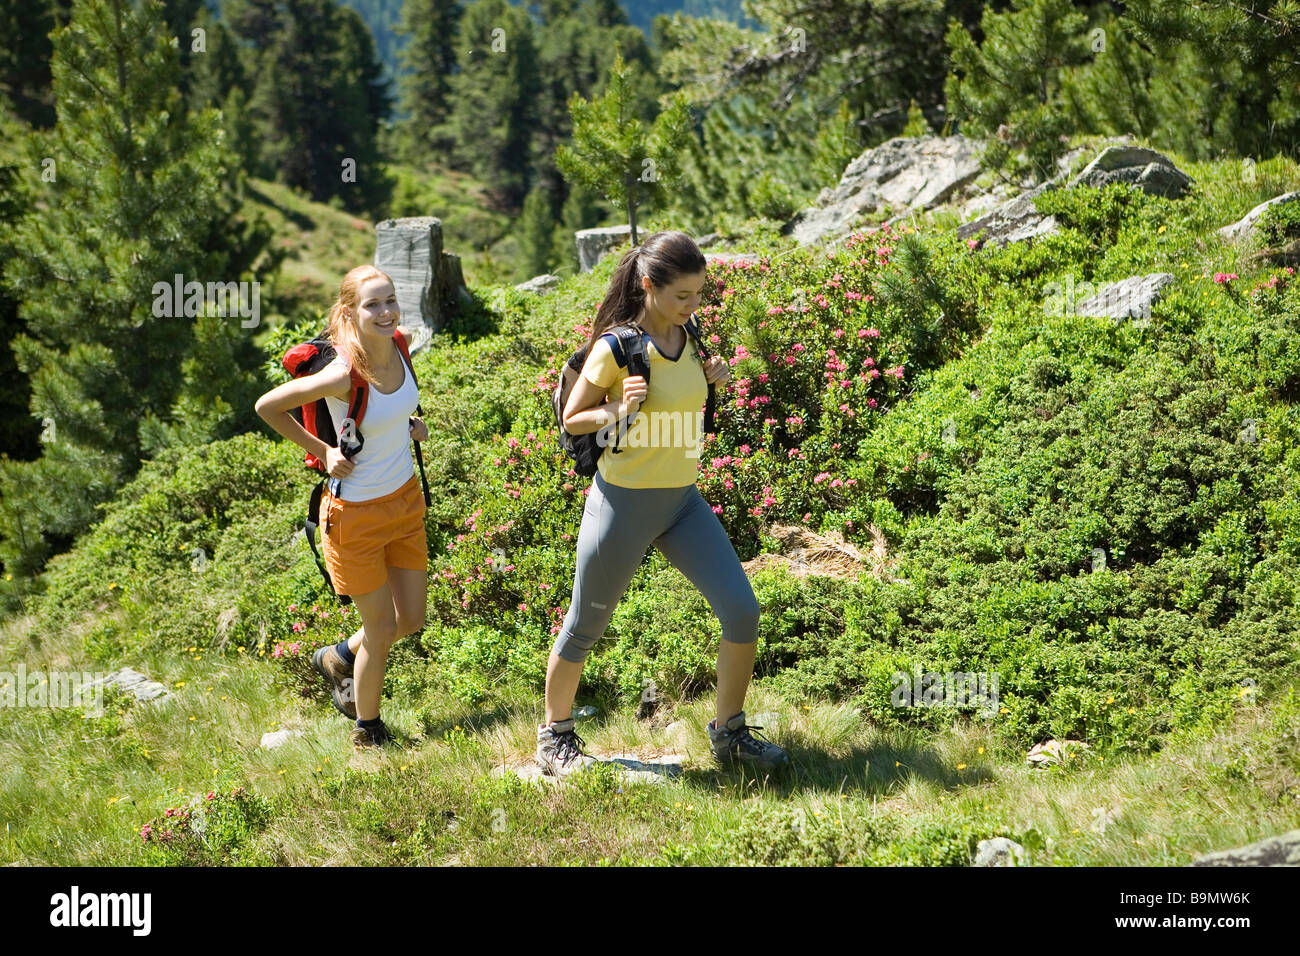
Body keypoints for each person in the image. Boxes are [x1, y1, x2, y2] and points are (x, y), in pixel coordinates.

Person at [539, 230, 789, 775]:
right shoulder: (616, 347)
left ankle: (730, 734)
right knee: (585, 624)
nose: (693, 306)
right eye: (682, 296)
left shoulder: (689, 335)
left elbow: (684, 400)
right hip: (622, 504)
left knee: (743, 610)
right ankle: (555, 738)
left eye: (699, 294)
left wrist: (712, 378)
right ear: (649, 286)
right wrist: (616, 409)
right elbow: (572, 418)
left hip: (681, 502)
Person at [254, 265, 429, 749]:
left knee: (409, 619)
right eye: (373, 304)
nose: (386, 311)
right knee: (382, 627)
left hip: (405, 502)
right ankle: (368, 733)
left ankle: (336, 656)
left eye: (390, 300)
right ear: (350, 312)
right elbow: (267, 406)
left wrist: (411, 426)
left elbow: (393, 407)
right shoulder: (341, 373)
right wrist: (322, 448)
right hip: (355, 517)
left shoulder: (401, 343)